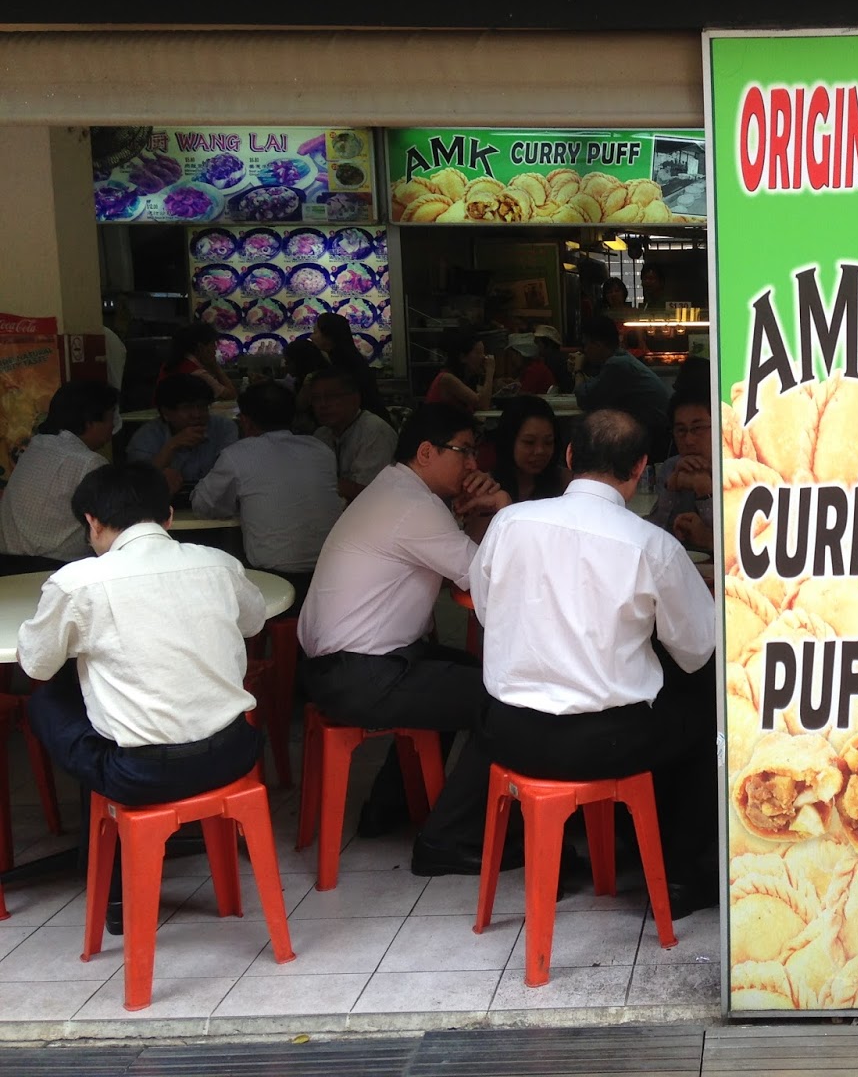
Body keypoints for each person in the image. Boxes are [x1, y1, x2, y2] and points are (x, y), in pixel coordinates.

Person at [445, 409, 719, 914]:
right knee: (706, 712)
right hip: (604, 745)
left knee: (667, 707)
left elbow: (486, 608)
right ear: (640, 467)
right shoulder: (651, 545)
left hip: (507, 733)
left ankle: (617, 845)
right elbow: (698, 648)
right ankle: (683, 874)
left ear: (570, 456)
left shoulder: (509, 523)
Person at [298, 403, 512, 871]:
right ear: (427, 452)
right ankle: (446, 839)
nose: (473, 463)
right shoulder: (412, 506)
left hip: (343, 668)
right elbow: (490, 576)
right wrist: (501, 508)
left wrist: (479, 512)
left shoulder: (396, 491)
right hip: (362, 674)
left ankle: (388, 807)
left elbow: (475, 565)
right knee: (506, 699)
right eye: (464, 451)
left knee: (467, 672)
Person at [20, 461, 265, 808]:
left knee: (46, 701)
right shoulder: (220, 564)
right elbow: (252, 623)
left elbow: (37, 666)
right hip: (236, 753)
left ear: (92, 522)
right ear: (169, 517)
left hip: (141, 777)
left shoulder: (76, 582)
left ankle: (97, 832)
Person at [191, 381, 343, 607]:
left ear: (245, 421)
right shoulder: (321, 449)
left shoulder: (238, 455)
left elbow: (203, 506)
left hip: (273, 577)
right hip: (330, 572)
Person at [0, 380, 117, 562]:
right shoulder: (89, 463)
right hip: (54, 567)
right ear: (89, 423)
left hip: (6, 563)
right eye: (110, 418)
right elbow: (114, 525)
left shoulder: (36, 446)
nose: (113, 427)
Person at [575, 316, 671, 461]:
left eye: (586, 345)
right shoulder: (621, 360)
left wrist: (577, 369)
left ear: (598, 345)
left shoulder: (618, 365)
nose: (585, 351)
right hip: (651, 432)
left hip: (653, 437)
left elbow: (585, 399)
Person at [126, 373, 238, 491]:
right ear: (166, 413)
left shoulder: (223, 428)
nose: (197, 415)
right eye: (187, 407)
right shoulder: (146, 436)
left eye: (202, 406)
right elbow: (137, 484)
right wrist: (171, 446)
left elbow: (232, 474)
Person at [307, 368, 397, 501]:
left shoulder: (375, 431)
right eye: (316, 398)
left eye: (332, 397)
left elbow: (368, 491)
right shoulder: (321, 434)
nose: (323, 405)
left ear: (355, 399)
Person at [647, 389, 714, 550]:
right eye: (681, 430)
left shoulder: (736, 468)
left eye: (697, 428)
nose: (689, 440)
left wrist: (705, 493)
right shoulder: (671, 467)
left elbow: (737, 544)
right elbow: (653, 536)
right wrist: (671, 489)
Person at [489, 396, 569, 503]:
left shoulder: (566, 482)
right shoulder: (489, 486)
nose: (540, 451)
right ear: (509, 441)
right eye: (529, 442)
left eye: (548, 442)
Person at [311, 312, 388, 422]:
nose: (311, 337)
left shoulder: (344, 362)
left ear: (328, 336)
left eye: (315, 332)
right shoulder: (346, 357)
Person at [158, 321, 238, 402]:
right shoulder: (198, 373)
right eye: (212, 344)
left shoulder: (169, 364)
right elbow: (231, 395)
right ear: (201, 348)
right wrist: (216, 367)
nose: (215, 349)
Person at [426, 329, 495, 414]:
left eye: (483, 353)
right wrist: (490, 372)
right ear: (463, 357)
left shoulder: (464, 379)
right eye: (478, 353)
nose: (484, 357)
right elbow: (482, 405)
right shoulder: (447, 378)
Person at [513, 325, 574, 396]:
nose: (535, 346)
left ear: (548, 344)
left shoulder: (553, 360)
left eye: (538, 342)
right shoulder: (550, 358)